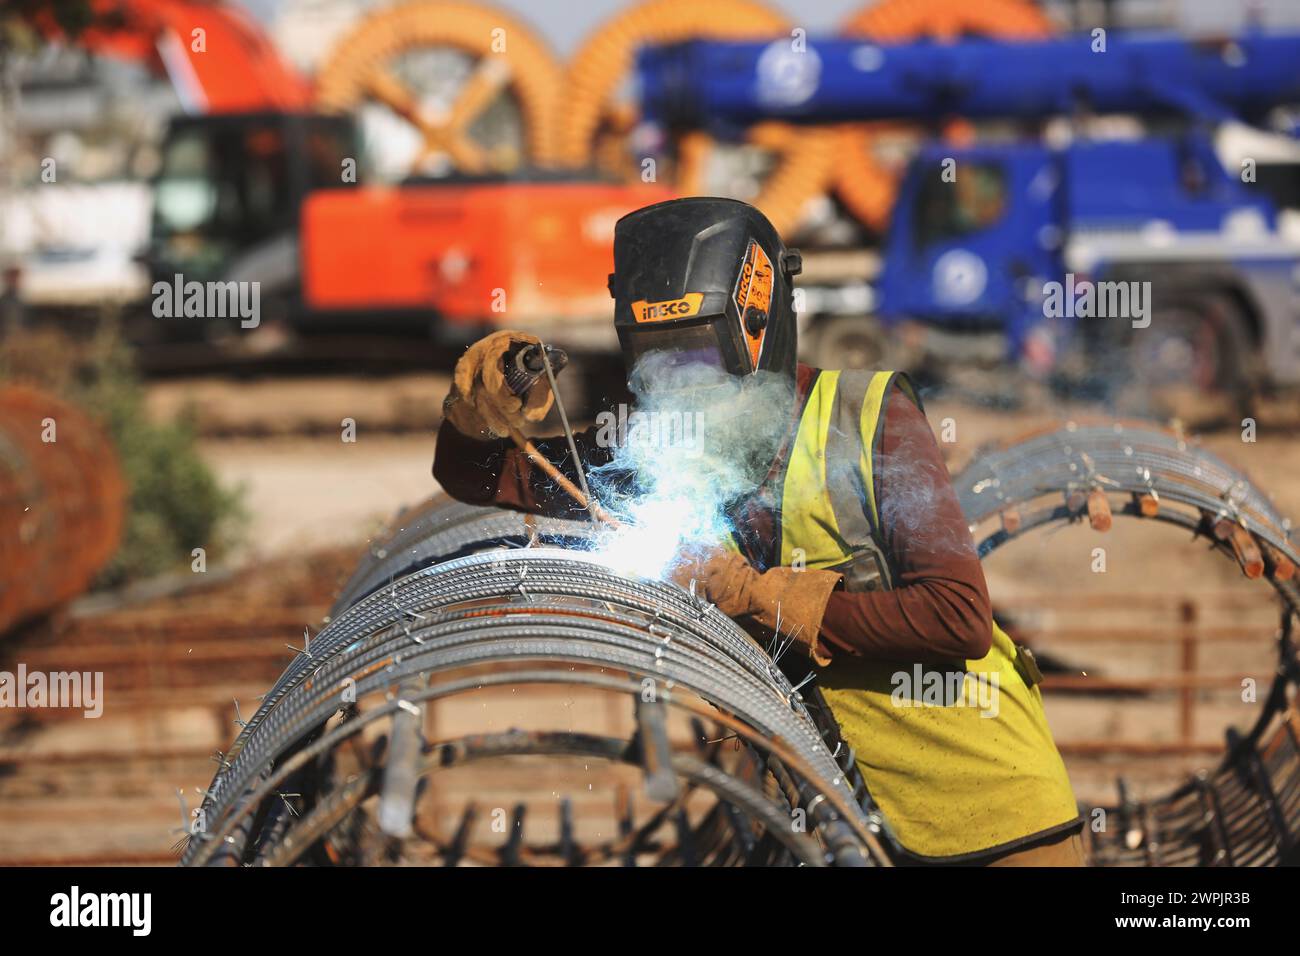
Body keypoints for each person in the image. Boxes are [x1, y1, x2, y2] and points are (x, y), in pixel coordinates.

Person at [433, 196, 1083, 866]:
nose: (679, 384)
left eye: (696, 355)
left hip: (993, 823)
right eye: (657, 356)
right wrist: (478, 409)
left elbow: (959, 618)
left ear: (756, 328)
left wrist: (758, 594)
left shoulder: (869, 420)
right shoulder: (666, 453)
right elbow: (479, 477)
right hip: (854, 823)